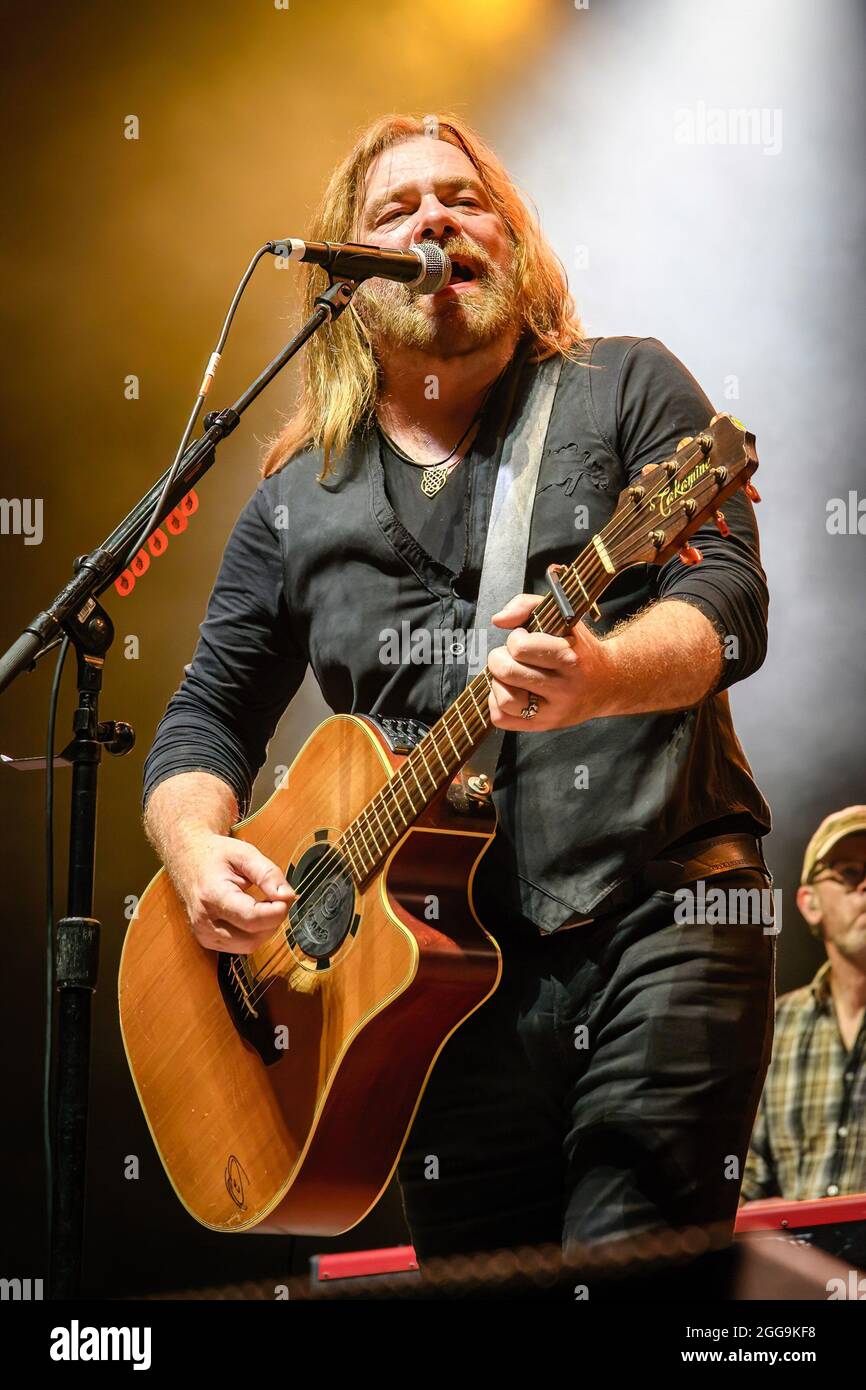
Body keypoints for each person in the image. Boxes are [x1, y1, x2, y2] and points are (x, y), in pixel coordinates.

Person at [141, 112, 776, 1262]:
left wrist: (601, 676)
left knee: (628, 1269)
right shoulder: (295, 495)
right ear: (345, 273)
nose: (435, 219)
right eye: (397, 212)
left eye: (462, 200)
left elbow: (727, 602)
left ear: (511, 241)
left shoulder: (626, 386)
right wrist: (193, 851)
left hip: (652, 917)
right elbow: (202, 719)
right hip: (428, 998)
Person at [741, 807, 866, 1203]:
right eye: (849, 872)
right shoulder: (774, 1030)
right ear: (809, 902)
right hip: (796, 1263)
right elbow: (744, 1181)